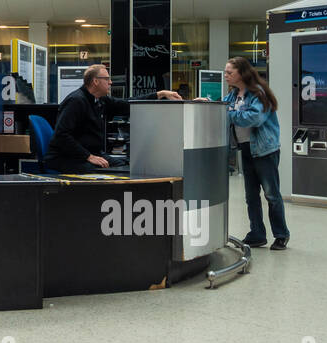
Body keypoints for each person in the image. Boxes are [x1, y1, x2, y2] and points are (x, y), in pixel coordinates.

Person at [202, 57, 289, 250]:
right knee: (251, 196)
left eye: (229, 73)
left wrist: (227, 114)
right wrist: (207, 103)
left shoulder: (258, 93)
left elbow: (254, 118)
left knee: (271, 194)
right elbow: (222, 107)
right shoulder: (233, 95)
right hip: (247, 149)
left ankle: (281, 234)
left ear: (241, 73)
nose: (225, 76)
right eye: (225, 72)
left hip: (265, 150)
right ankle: (257, 233)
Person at [44, 64, 180, 172]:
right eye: (107, 79)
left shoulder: (101, 100)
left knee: (123, 165)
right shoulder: (76, 101)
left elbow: (127, 103)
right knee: (102, 171)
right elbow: (61, 135)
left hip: (91, 154)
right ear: (95, 81)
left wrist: (159, 94)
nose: (111, 82)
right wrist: (88, 156)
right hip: (67, 157)